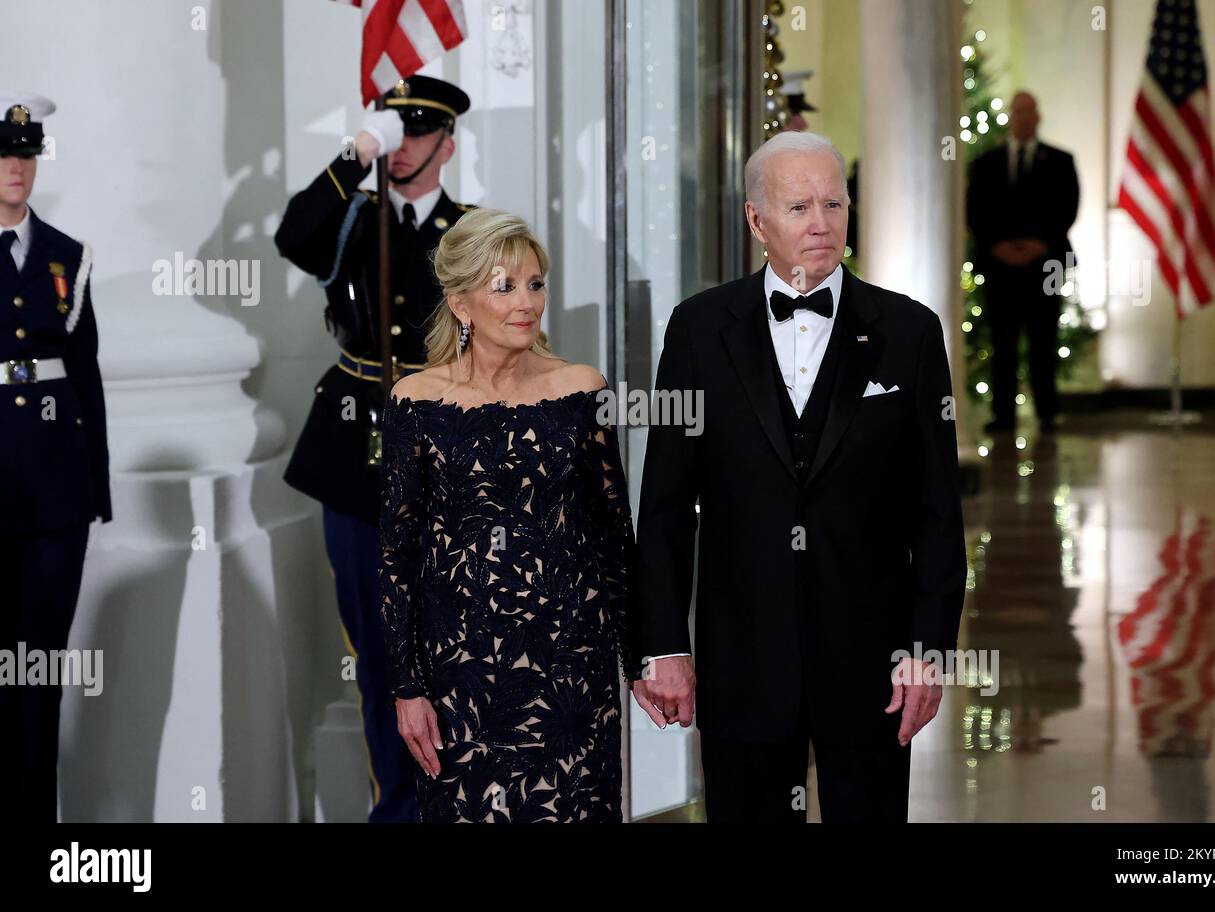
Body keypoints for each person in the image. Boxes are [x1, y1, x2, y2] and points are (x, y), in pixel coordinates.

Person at [630, 131, 967, 823]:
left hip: (873, 665)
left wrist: (928, 651)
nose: (821, 223)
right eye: (799, 207)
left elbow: (937, 511)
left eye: (833, 204)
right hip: (742, 660)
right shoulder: (698, 330)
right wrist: (662, 644)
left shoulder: (910, 331)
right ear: (757, 221)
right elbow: (665, 506)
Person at [379, 208, 636, 822]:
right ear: (460, 304)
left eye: (535, 284)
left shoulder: (582, 389)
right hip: (459, 676)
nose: (527, 303)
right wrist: (407, 688)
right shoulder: (415, 400)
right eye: (505, 287)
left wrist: (646, 658)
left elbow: (614, 537)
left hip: (571, 668)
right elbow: (396, 558)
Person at [274, 75, 473, 822]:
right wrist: (356, 153)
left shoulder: (472, 231)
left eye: (418, 132)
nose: (404, 145)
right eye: (396, 130)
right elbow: (293, 236)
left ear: (447, 145)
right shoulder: (353, 218)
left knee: (456, 647)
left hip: (447, 453)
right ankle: (397, 810)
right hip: (356, 452)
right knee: (381, 654)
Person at [0, 94, 111, 822]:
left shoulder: (68, 255)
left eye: (26, 154)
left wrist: (95, 486)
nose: (17, 167)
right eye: (4, 155)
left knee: (37, 675)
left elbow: (85, 373)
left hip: (54, 492)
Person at [966, 91, 1080, 433]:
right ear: (1011, 118)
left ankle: (1047, 412)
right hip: (999, 267)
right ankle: (1003, 415)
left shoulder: (1060, 161)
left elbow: (1067, 207)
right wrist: (999, 246)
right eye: (1019, 112)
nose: (1025, 118)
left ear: (1038, 117)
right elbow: (976, 211)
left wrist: (1038, 244)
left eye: (1030, 112)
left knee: (1044, 339)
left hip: (1046, 265)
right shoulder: (986, 164)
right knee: (1002, 342)